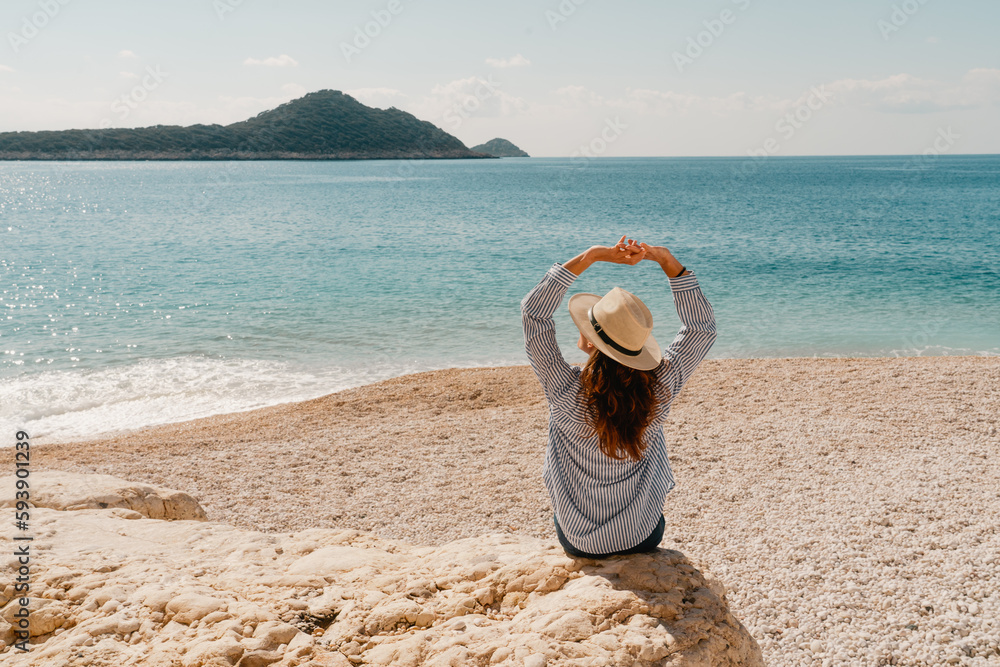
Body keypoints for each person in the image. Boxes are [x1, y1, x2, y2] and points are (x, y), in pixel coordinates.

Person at [520, 234, 717, 558]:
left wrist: (593, 256)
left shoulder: (566, 392)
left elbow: (534, 315)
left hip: (578, 541)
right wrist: (668, 262)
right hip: (641, 536)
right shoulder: (660, 388)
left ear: (591, 341)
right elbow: (701, 329)